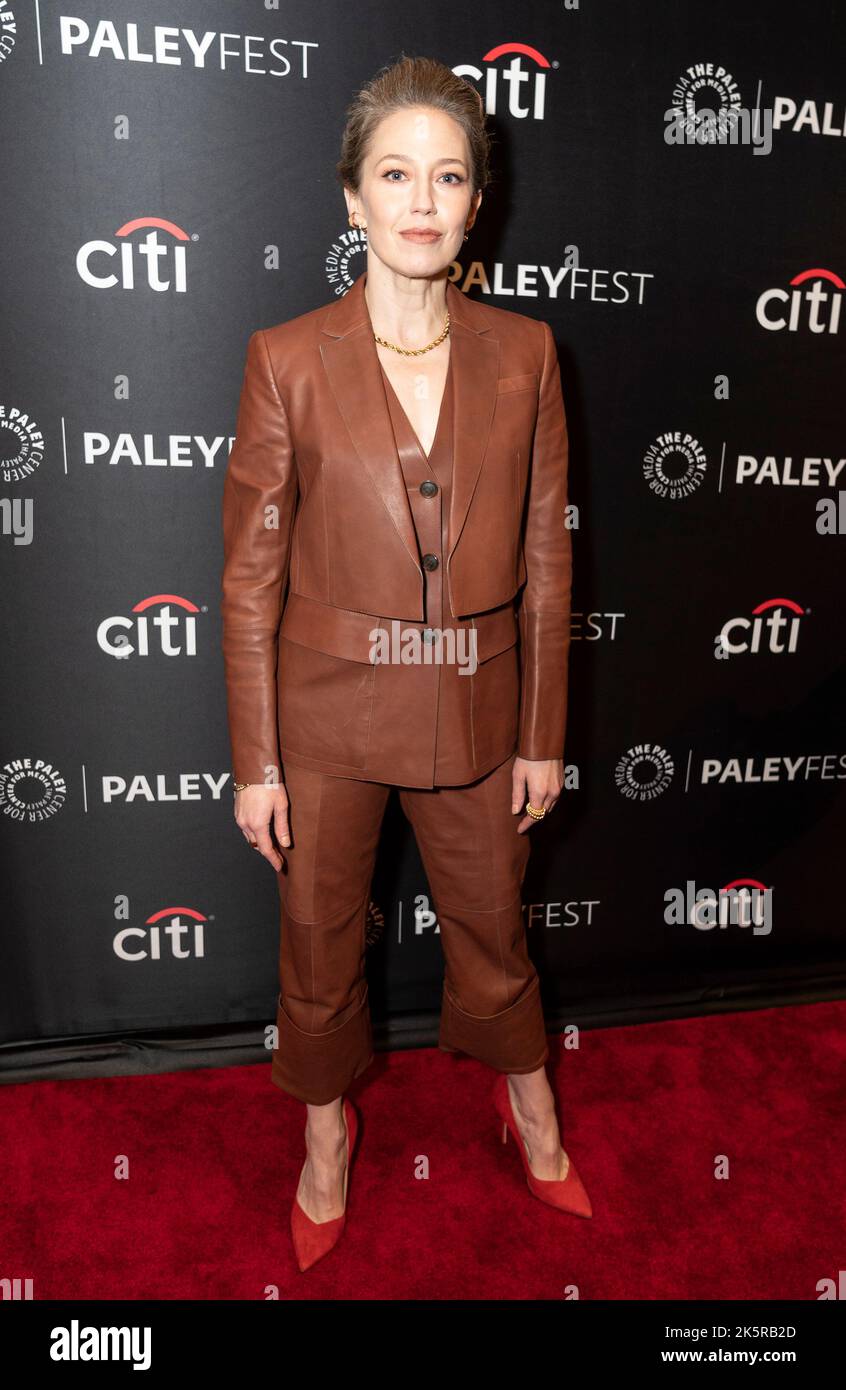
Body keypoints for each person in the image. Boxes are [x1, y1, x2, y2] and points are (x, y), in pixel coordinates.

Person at [221, 54, 591, 1273]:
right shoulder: (286, 357)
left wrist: (544, 732)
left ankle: (528, 1104)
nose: (422, 199)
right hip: (324, 720)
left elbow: (548, 556)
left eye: (449, 175)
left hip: (485, 716)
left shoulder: (528, 353)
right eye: (396, 174)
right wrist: (256, 759)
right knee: (320, 942)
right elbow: (249, 579)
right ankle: (327, 1138)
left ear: (477, 200)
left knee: (494, 926)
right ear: (353, 198)